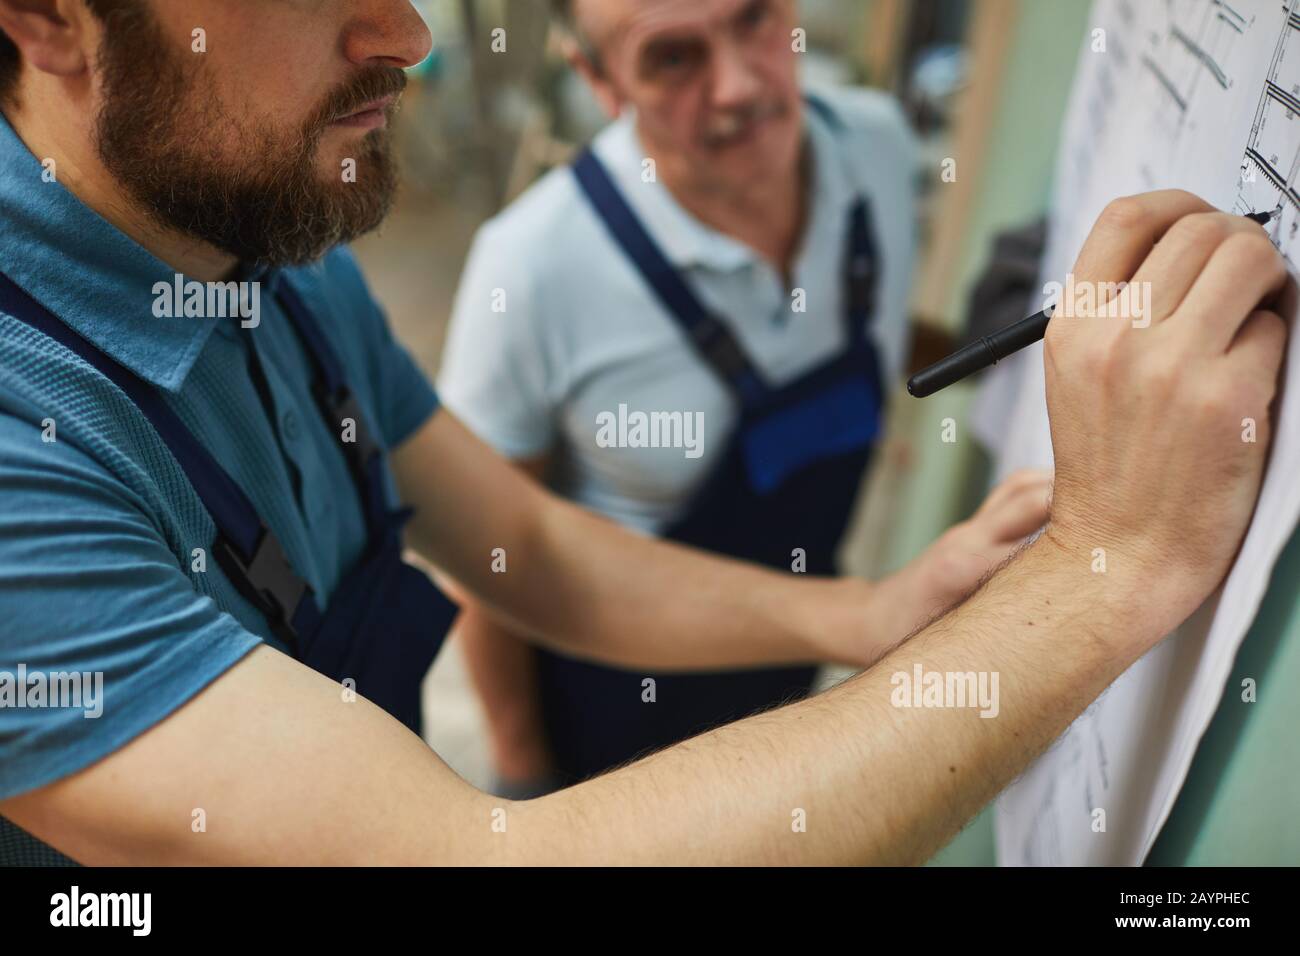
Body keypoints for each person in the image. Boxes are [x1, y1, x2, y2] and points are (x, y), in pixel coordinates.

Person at [0, 0, 1286, 866]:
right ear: (50, 18)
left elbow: (515, 538)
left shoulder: (261, 230)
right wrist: (1107, 565)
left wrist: (862, 613)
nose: (404, 35)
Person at [439, 0, 958, 793]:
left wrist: (989, 336)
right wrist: (525, 778)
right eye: (673, 58)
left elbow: (839, 331)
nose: (740, 88)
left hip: (792, 678)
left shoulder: (876, 148)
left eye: (753, 19)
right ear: (599, 81)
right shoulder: (531, 267)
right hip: (614, 732)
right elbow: (489, 561)